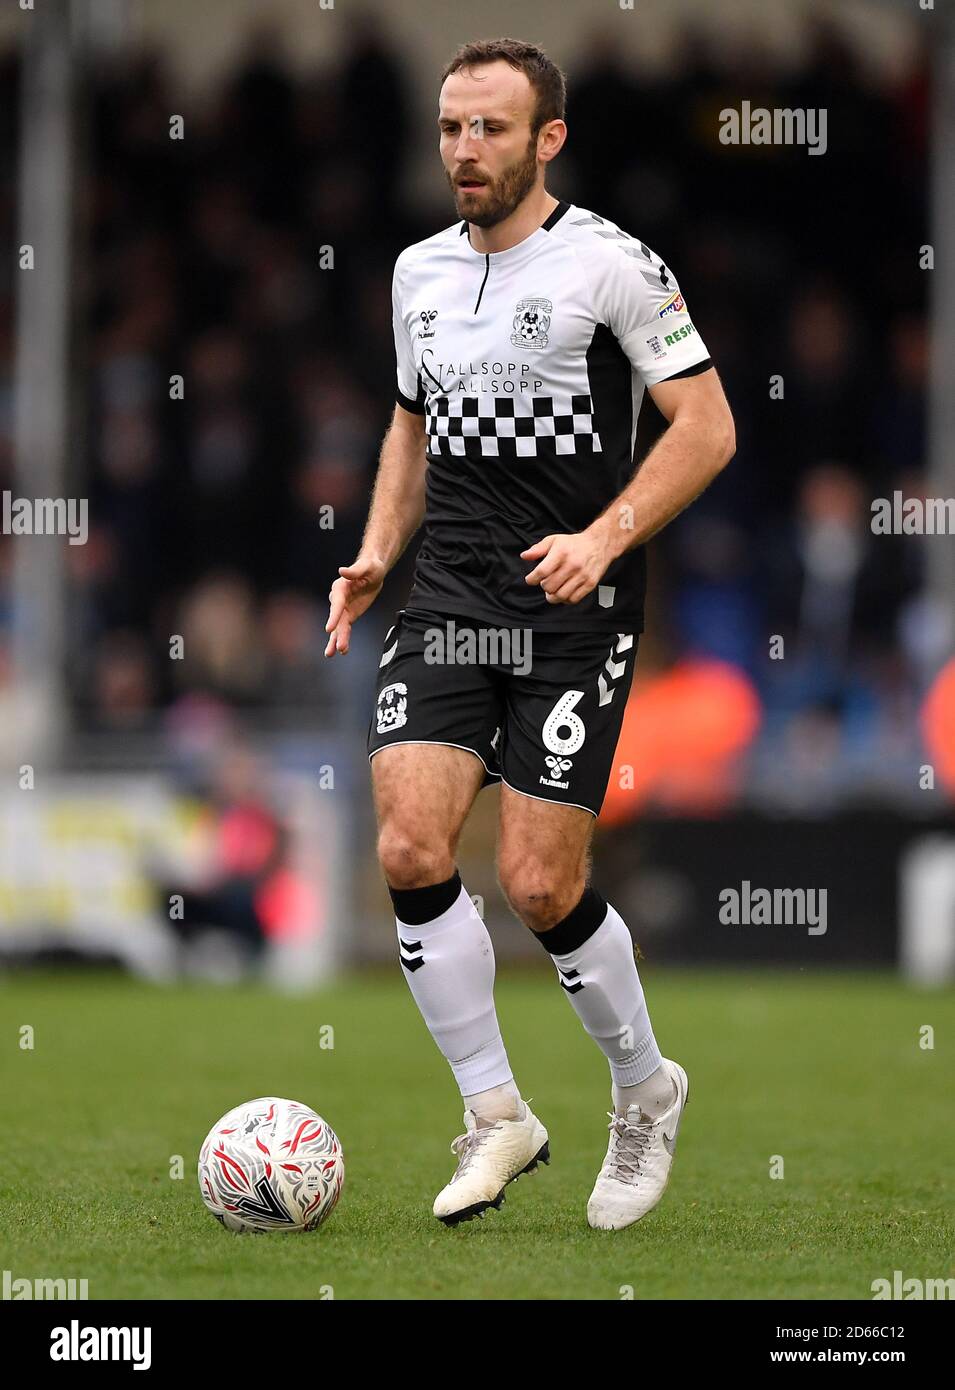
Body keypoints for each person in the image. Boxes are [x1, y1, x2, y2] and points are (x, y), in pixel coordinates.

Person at [325, 38, 735, 1230]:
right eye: (453, 127)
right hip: (447, 592)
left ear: (546, 138)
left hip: (572, 605)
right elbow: (410, 428)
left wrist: (604, 539)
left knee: (539, 881)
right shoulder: (414, 273)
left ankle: (645, 1088)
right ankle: (497, 1112)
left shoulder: (612, 265)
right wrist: (375, 551)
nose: (465, 149)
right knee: (408, 846)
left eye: (492, 129)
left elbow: (705, 428)